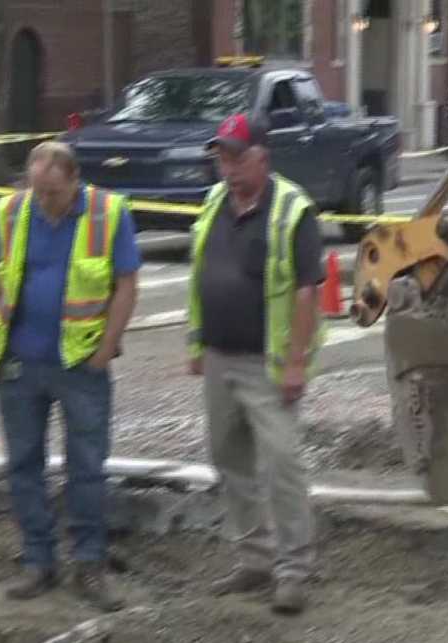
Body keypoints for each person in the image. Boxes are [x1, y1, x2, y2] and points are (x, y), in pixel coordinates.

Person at [0, 141, 140, 613]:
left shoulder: (108, 214)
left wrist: (106, 348)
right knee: (24, 463)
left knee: (87, 466)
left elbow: (126, 285)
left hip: (80, 365)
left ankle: (88, 562)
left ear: (74, 181)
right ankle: (38, 560)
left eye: (52, 191)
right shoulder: (12, 211)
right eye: (37, 190)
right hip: (19, 362)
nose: (43, 200)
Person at [186, 113, 325, 615]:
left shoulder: (292, 210)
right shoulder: (213, 203)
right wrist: (196, 341)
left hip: (266, 364)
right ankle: (254, 558)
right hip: (221, 356)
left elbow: (308, 291)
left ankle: (293, 569)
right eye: (221, 157)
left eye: (236, 156)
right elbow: (200, 272)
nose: (227, 167)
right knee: (229, 459)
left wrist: (294, 364)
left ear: (261, 157)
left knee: (282, 463)